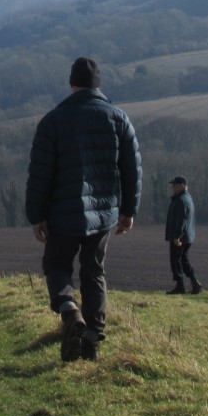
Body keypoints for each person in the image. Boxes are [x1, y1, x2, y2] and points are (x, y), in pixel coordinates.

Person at [25, 56, 141, 362]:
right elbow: (132, 170)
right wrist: (129, 210)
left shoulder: (52, 121)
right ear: (98, 84)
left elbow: (39, 173)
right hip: (104, 212)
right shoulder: (118, 119)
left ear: (72, 83)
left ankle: (69, 310)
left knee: (57, 265)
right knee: (94, 271)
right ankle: (92, 338)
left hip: (62, 213)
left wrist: (36, 215)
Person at [164, 175, 202, 295]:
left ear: (181, 186)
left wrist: (177, 236)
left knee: (175, 260)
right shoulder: (186, 198)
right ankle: (195, 283)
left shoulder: (181, 200)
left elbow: (182, 220)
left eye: (174, 185)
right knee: (183, 260)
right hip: (187, 236)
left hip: (180, 237)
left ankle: (180, 286)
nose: (172, 187)